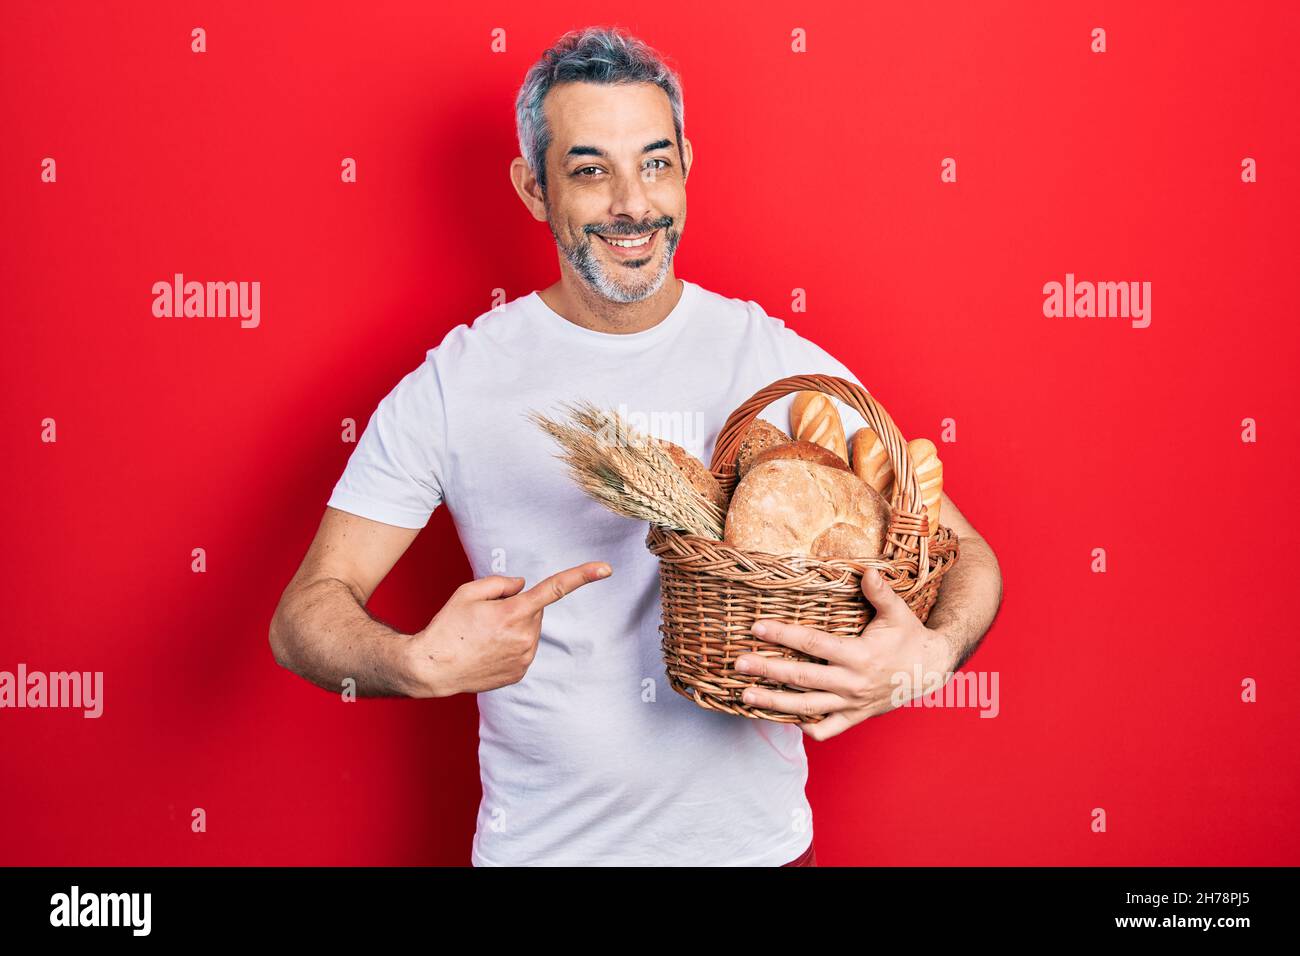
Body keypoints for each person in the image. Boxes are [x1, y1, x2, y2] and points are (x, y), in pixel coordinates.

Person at [269, 26, 1003, 867]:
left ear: (686, 164)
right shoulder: (459, 380)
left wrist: (928, 655)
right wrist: (413, 662)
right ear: (533, 188)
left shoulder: (776, 365)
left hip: (756, 856)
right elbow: (303, 617)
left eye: (656, 162)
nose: (633, 202)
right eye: (591, 170)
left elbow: (970, 552)